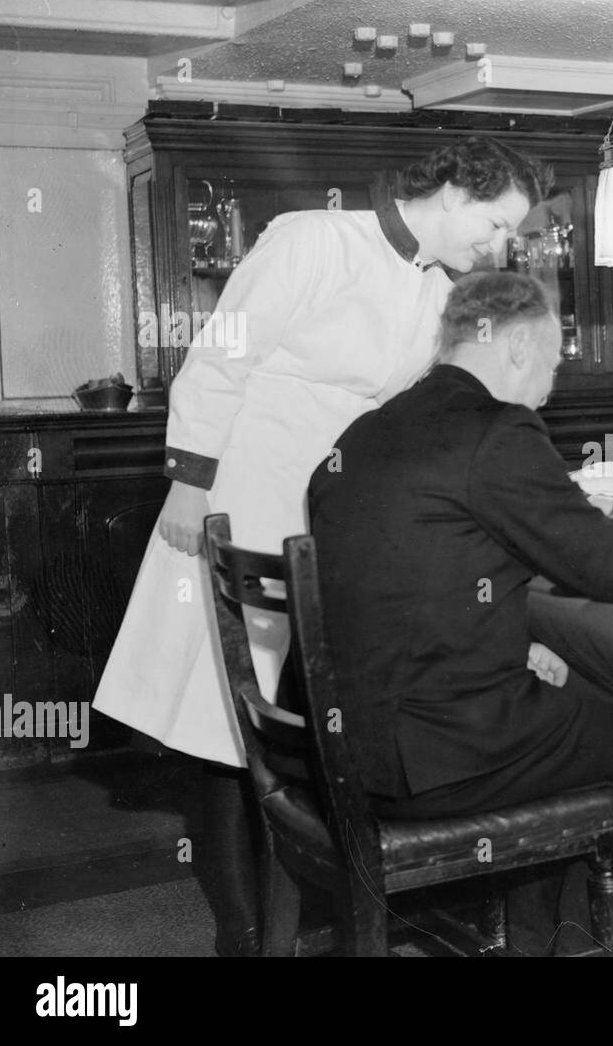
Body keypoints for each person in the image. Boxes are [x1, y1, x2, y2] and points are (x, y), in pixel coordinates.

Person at [93, 136, 552, 956]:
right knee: (226, 722)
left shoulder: (441, 290)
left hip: (337, 515)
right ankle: (242, 929)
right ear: (450, 190)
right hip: (245, 492)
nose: (497, 246)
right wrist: (191, 479)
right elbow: (221, 354)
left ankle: (319, 901)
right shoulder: (313, 238)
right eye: (491, 225)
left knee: (310, 715)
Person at [307, 272, 613, 956]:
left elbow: (407, 579)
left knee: (571, 696)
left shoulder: (365, 430)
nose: (549, 385)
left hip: (341, 746)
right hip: (432, 759)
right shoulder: (500, 428)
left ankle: (546, 942)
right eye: (550, 361)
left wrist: (507, 648)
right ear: (514, 347)